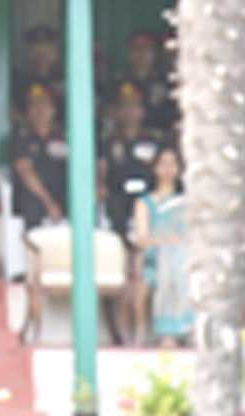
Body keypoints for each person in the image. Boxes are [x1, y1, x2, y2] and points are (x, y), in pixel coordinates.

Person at [132, 145, 191, 346]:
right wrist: (165, 240)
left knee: (183, 258)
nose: (168, 169)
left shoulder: (188, 202)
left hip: (187, 258)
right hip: (155, 259)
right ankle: (169, 330)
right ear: (155, 168)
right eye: (163, 164)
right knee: (172, 256)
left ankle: (189, 326)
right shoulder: (145, 203)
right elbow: (141, 239)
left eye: (173, 164)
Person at [97, 81, 164, 246]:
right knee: (115, 206)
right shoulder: (109, 140)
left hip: (149, 192)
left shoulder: (153, 139)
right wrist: (100, 184)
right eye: (124, 107)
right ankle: (121, 247)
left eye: (134, 107)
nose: (129, 112)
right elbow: (101, 167)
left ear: (142, 111)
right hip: (119, 193)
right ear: (117, 112)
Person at [10, 84, 68, 230]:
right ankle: (33, 251)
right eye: (34, 105)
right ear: (28, 112)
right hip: (37, 196)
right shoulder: (21, 138)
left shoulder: (64, 137)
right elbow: (26, 173)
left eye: (45, 105)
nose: (40, 110)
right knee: (32, 202)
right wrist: (49, 203)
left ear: (53, 110)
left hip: (62, 194)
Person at [111, 31, 176, 135]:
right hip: (127, 138)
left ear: (154, 53)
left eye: (146, 49)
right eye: (136, 49)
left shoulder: (165, 81)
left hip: (161, 139)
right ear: (129, 53)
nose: (141, 54)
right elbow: (110, 112)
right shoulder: (118, 82)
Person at [13, 25, 65, 125]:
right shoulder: (20, 81)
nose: (41, 53)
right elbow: (15, 113)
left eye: (46, 48)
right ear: (30, 54)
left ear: (54, 53)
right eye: (36, 49)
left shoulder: (65, 80)